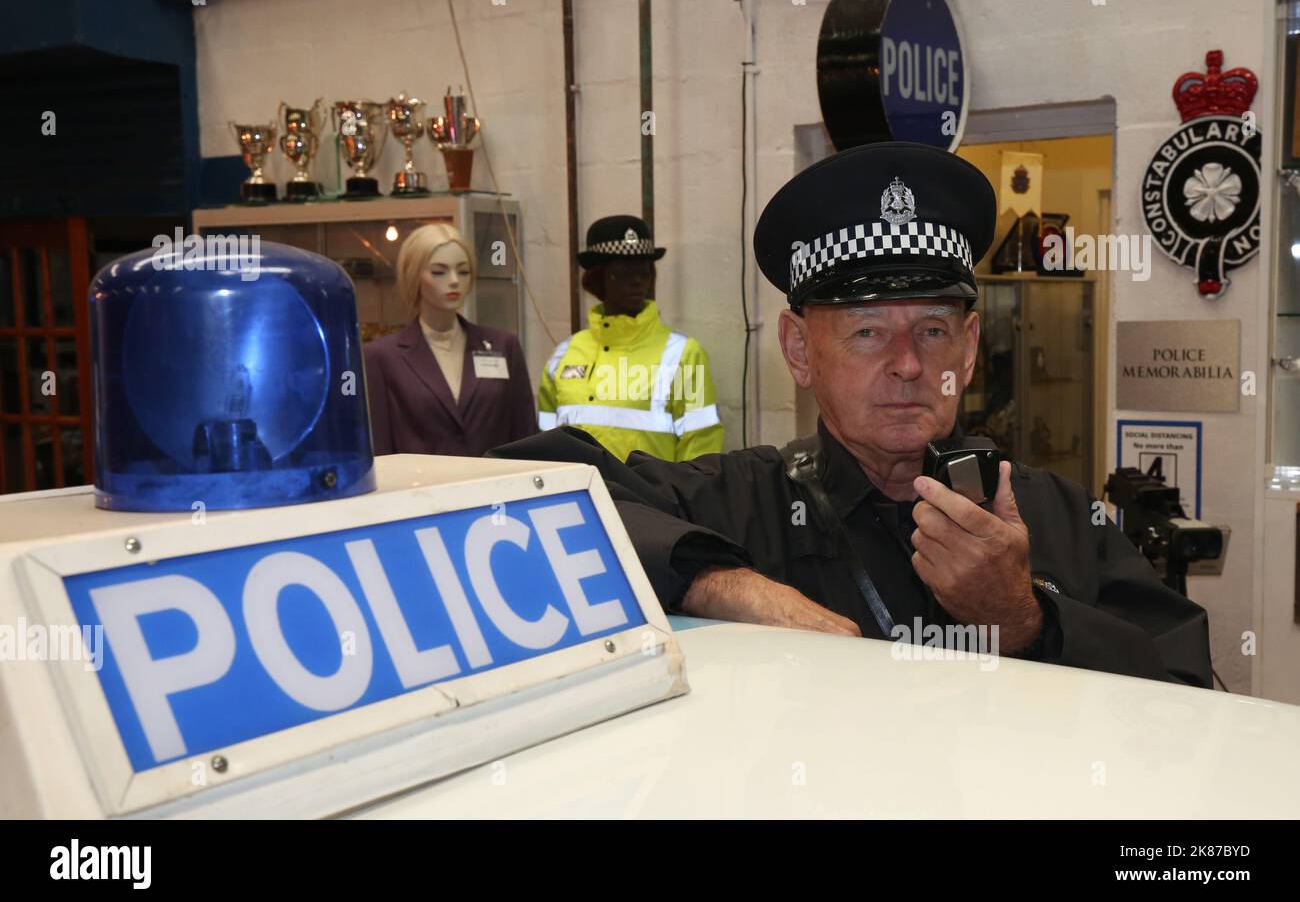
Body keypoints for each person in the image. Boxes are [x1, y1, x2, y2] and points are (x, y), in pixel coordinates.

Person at [493, 143, 1212, 687]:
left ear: (969, 345)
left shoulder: (1052, 515)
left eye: (933, 330)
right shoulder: (740, 505)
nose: (907, 363)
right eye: (868, 332)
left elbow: (1188, 702)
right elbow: (517, 485)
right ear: (799, 350)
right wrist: (718, 582)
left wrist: (1026, 618)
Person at [537, 215, 723, 461]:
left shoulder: (683, 353)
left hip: (650, 498)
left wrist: (685, 498)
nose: (636, 282)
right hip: (579, 497)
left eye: (643, 272)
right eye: (621, 273)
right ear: (598, 279)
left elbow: (702, 444)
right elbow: (544, 442)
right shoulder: (565, 354)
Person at [365, 223, 536, 457]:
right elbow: (379, 448)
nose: (454, 280)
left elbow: (526, 437)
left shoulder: (504, 347)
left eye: (463, 271)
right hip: (420, 489)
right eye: (439, 272)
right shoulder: (382, 357)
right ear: (414, 275)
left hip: (496, 489)